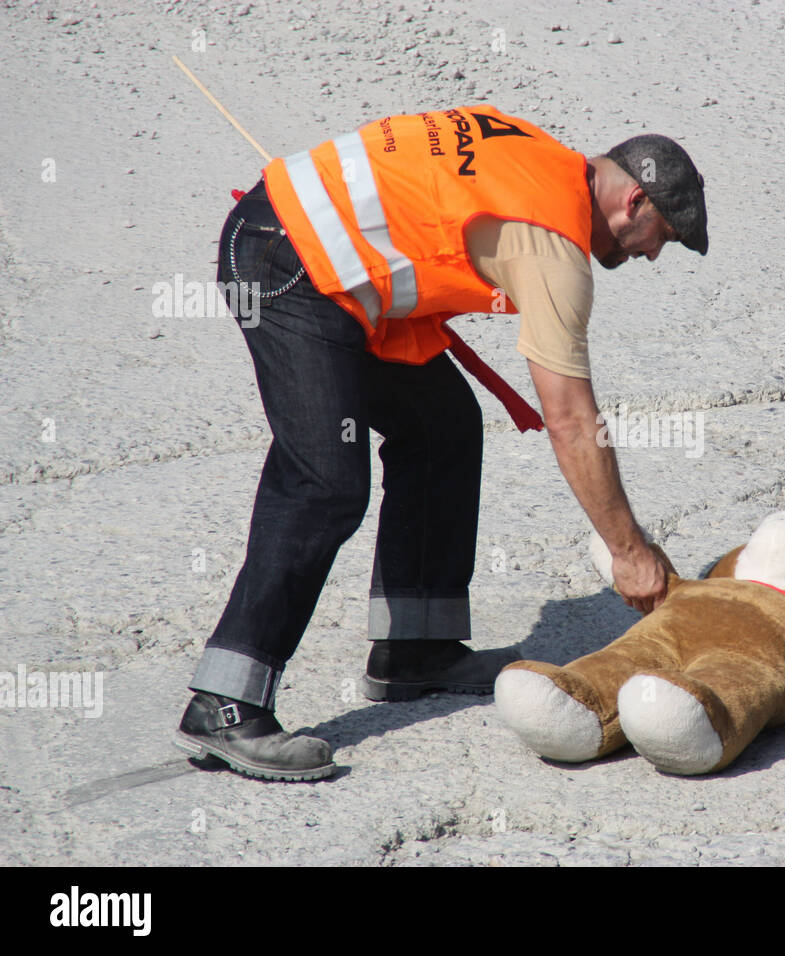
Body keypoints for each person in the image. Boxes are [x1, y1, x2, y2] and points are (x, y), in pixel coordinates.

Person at [173, 105, 708, 781]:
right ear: (635, 200)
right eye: (664, 235)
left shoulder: (536, 155)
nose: (654, 254)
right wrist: (630, 554)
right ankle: (225, 702)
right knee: (324, 482)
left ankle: (414, 651)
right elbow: (570, 419)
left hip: (312, 250)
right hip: (289, 265)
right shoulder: (553, 240)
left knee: (441, 427)